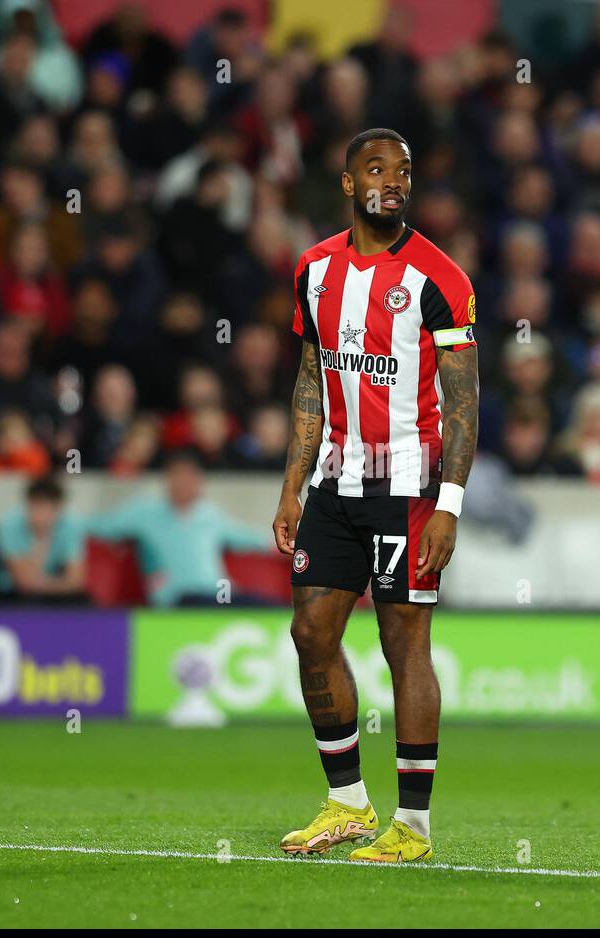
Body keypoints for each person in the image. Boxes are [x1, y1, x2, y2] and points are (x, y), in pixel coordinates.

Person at [271, 128, 479, 863]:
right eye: (376, 169)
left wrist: (449, 503)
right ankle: (346, 804)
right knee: (311, 633)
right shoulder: (314, 269)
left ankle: (413, 828)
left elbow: (463, 404)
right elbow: (309, 378)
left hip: (409, 488)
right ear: (348, 182)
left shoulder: (439, 277)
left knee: (404, 645)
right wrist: (293, 486)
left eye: (404, 170)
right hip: (335, 482)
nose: (393, 181)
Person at [87, 449, 269, 605]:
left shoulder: (209, 514)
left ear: (199, 482)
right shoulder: (145, 513)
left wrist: (286, 543)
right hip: (177, 598)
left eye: (189, 477)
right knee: (200, 603)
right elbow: (104, 526)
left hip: (218, 595)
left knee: (273, 609)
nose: (183, 483)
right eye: (177, 476)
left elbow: (247, 537)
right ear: (167, 479)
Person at [0, 475, 87, 601]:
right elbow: (25, 582)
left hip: (52, 585)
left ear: (58, 509)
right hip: (7, 589)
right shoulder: (10, 525)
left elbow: (76, 581)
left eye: (46, 509)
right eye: (35, 508)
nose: (39, 517)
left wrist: (46, 585)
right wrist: (40, 538)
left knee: (83, 602)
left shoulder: (71, 524)